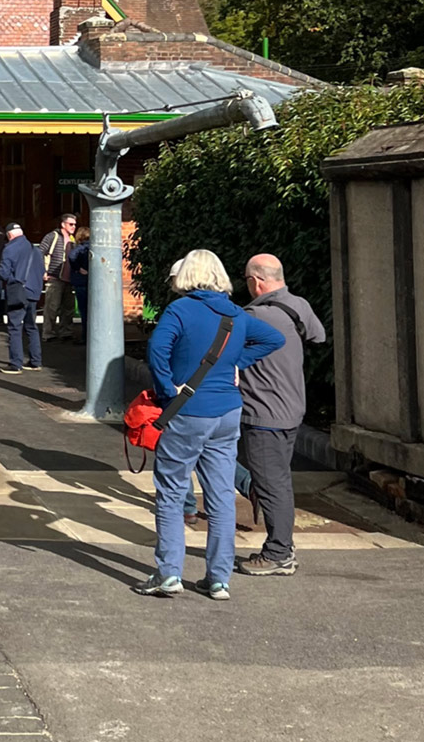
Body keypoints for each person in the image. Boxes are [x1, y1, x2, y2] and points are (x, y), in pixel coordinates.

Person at [133, 249, 286, 601]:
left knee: (172, 493)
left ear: (187, 275)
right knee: (220, 495)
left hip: (187, 411)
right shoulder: (236, 313)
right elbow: (274, 339)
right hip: (228, 411)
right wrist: (236, 364)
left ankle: (169, 573)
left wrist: (166, 390)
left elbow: (157, 349)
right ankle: (218, 579)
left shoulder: (180, 309)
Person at [236, 254, 327, 577]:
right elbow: (318, 336)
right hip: (292, 406)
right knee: (279, 480)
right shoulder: (298, 304)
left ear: (256, 281)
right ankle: (281, 547)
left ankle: (278, 553)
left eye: (246, 280)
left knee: (271, 482)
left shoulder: (253, 315)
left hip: (264, 411)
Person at [0, 222, 45, 373]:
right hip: (33, 293)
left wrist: (9, 278)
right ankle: (35, 361)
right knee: (31, 327)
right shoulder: (35, 250)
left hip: (18, 293)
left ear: (9, 235)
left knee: (15, 327)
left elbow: (4, 272)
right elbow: (42, 271)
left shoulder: (9, 249)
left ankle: (15, 364)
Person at [39, 214, 78, 341]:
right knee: (52, 307)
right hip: (54, 277)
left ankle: (65, 332)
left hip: (69, 279)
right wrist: (43, 271)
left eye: (75, 224)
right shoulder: (53, 236)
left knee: (68, 308)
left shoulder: (73, 239)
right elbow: (40, 252)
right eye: (71, 224)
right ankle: (48, 333)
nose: (74, 227)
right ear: (63, 224)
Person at [68, 225, 91, 337]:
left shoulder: (80, 247)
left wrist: (78, 268)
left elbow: (71, 256)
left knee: (84, 310)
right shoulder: (94, 247)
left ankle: (85, 335)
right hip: (92, 282)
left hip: (81, 281)